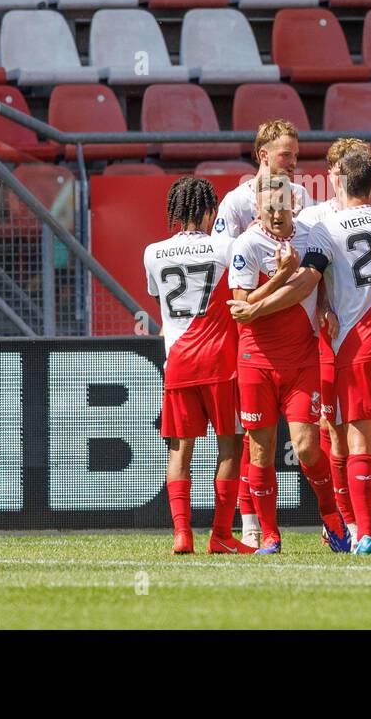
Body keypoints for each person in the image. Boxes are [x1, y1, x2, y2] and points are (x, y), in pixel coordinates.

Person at [232, 149, 371, 555]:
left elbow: (305, 282)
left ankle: (365, 535)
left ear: (339, 180)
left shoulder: (326, 228)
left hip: (357, 345)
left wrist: (257, 307)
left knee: (357, 444)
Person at [228, 174, 352, 554]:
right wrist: (281, 276)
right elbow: (241, 305)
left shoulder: (309, 237)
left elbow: (319, 279)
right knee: (261, 449)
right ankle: (270, 535)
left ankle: (332, 518)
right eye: (270, 207)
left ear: (294, 205)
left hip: (301, 359)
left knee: (307, 446)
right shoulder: (247, 244)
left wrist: (327, 304)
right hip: (256, 361)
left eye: (283, 206)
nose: (277, 213)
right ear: (258, 209)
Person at [143, 177, 253, 555]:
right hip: (221, 361)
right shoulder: (227, 247)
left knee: (179, 450)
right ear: (209, 211)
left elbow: (159, 299)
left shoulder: (153, 252)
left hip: (178, 362)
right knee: (230, 447)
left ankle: (181, 534)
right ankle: (221, 535)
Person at [213, 119, 308, 547]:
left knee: (307, 431)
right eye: (286, 154)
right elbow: (224, 259)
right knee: (253, 433)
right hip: (248, 322)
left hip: (297, 325)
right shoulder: (235, 203)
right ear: (262, 155)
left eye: (296, 154)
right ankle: (250, 521)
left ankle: (334, 519)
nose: (293, 162)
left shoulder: (302, 197)